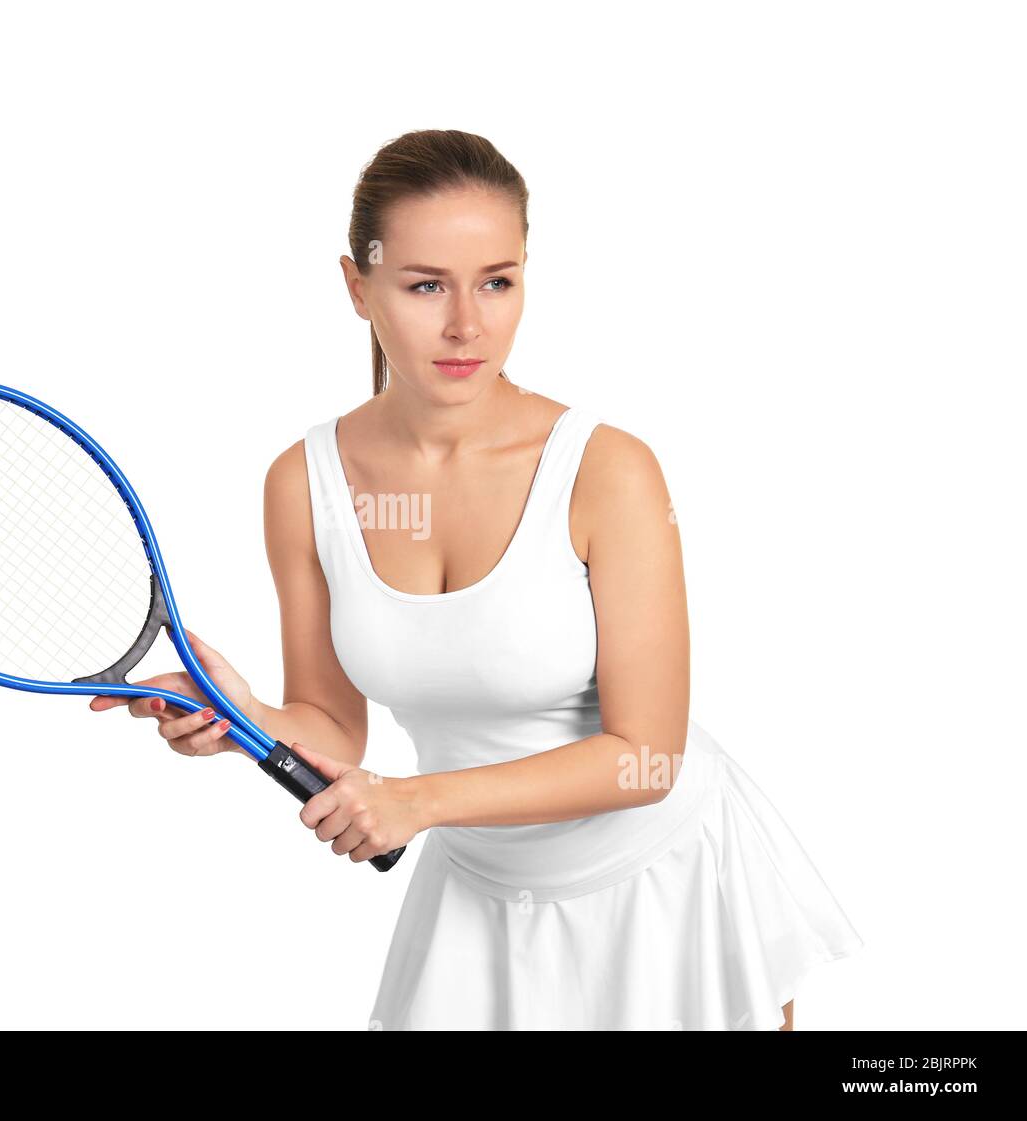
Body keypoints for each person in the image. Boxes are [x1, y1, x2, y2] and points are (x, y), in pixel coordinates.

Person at [90, 129, 863, 1031]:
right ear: (357, 287)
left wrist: (416, 801)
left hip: (662, 886)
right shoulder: (304, 484)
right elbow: (333, 726)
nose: (467, 325)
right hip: (481, 894)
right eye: (426, 286)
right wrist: (245, 715)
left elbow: (645, 758)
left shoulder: (608, 469)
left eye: (497, 281)